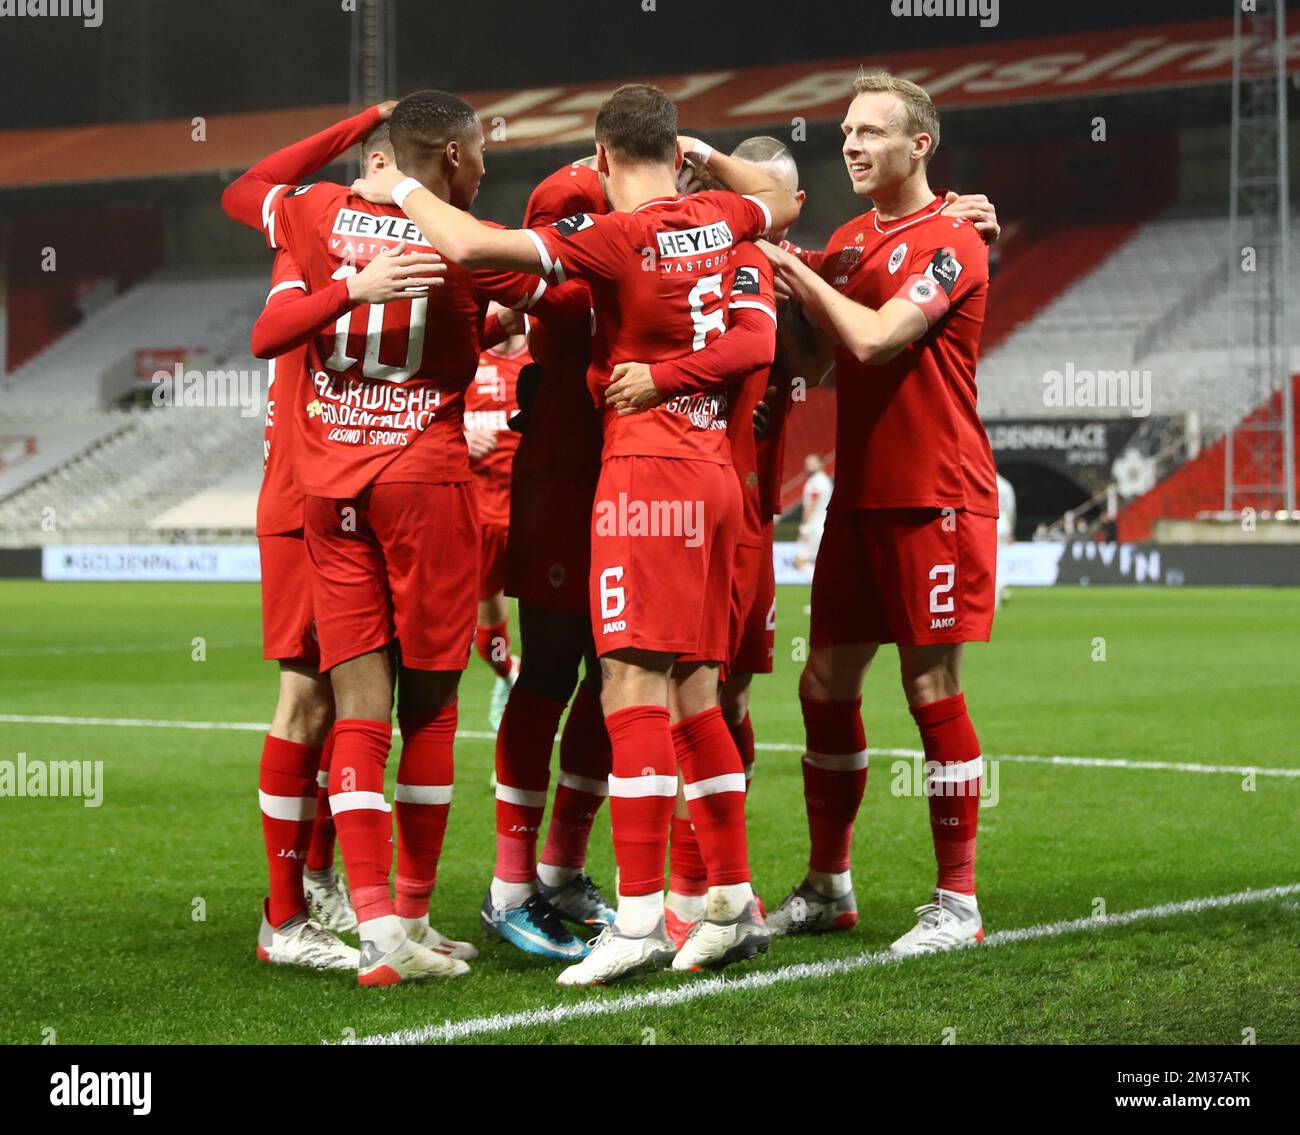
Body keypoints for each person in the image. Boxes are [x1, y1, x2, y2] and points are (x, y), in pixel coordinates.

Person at [351, 83, 800, 983]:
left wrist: (396, 185)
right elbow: (780, 217)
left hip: (639, 476)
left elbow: (476, 246)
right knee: (677, 686)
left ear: (601, 159)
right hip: (709, 478)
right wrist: (703, 157)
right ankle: (707, 896)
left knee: (627, 676)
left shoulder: (606, 231)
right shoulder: (727, 219)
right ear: (676, 154)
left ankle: (632, 914)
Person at [224, 91, 551, 985]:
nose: (485, 164)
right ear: (447, 155)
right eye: (478, 151)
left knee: (346, 710)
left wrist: (358, 147)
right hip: (393, 488)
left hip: (324, 488)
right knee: (401, 707)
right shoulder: (464, 239)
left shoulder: (313, 217)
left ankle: (358, 913)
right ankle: (332, 909)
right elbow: (556, 282)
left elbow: (247, 192)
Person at [759, 72, 998, 955]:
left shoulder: (956, 239)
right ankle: (829, 885)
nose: (852, 144)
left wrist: (798, 274)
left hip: (934, 493)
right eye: (846, 131)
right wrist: (778, 280)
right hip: (859, 499)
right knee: (822, 683)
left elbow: (875, 338)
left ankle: (958, 903)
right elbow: (822, 362)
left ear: (919, 145)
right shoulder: (853, 238)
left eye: (870, 132)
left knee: (931, 689)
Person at [463, 306, 528, 727]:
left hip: (535, 517)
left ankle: (527, 723)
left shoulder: (541, 359)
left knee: (557, 634)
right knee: (486, 641)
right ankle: (510, 675)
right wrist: (460, 436)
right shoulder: (467, 359)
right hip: (481, 519)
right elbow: (425, 416)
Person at [797, 454, 833, 572]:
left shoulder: (815, 482)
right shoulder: (826, 481)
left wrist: (804, 526)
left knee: (801, 563)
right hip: (822, 524)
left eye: (812, 463)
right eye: (807, 463)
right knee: (814, 561)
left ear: (820, 465)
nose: (809, 466)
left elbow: (811, 505)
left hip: (813, 526)